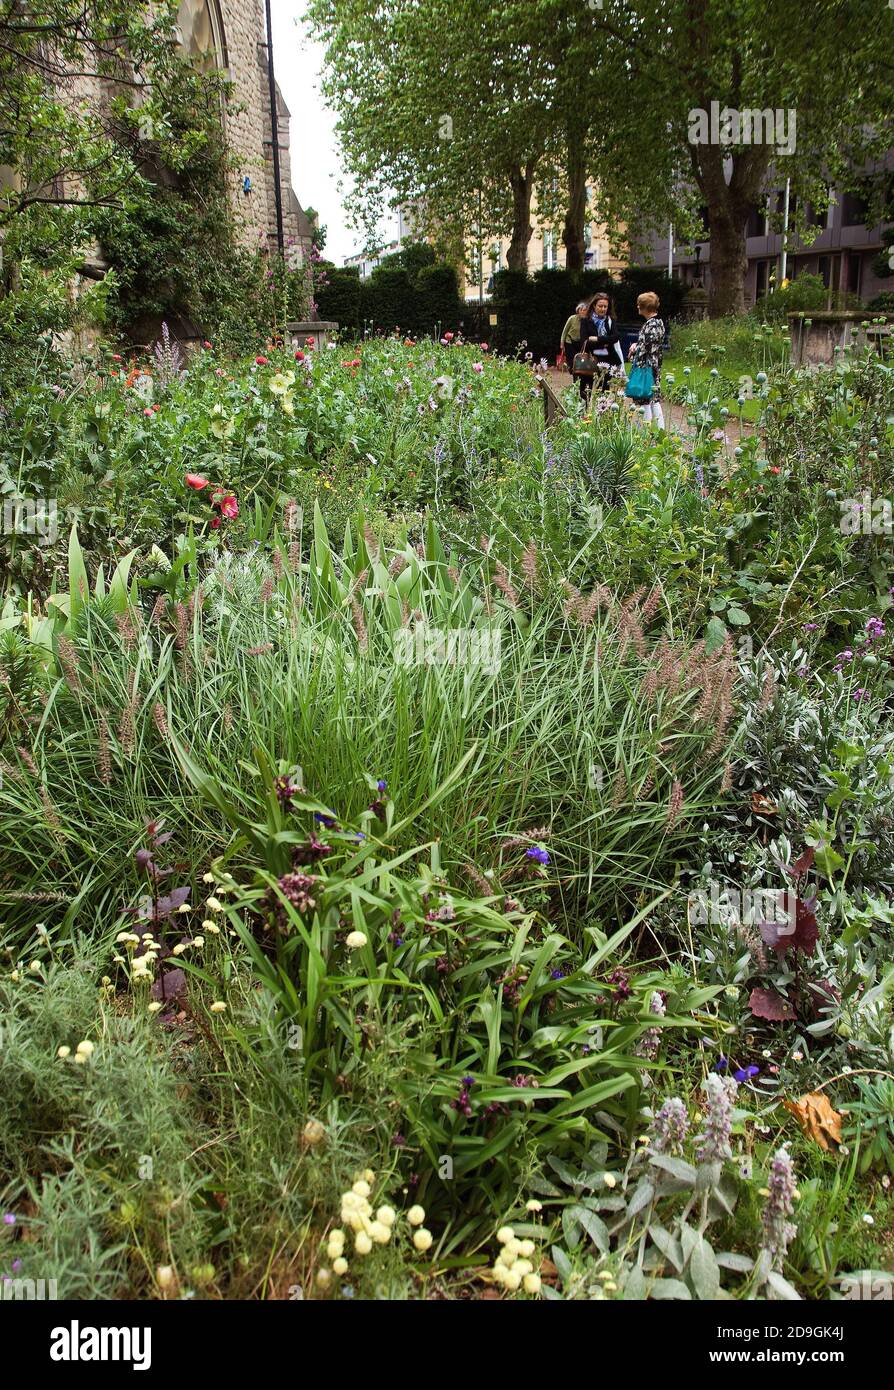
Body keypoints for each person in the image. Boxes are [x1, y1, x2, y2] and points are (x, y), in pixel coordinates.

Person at [577, 291, 626, 404]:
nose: (603, 309)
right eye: (600, 306)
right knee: (588, 393)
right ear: (594, 305)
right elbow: (584, 341)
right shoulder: (586, 321)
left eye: (605, 306)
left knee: (605, 394)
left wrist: (598, 339)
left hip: (608, 362)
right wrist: (605, 341)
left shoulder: (610, 320)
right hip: (591, 361)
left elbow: (615, 337)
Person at [628, 291, 666, 429]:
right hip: (654, 366)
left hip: (646, 367)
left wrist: (634, 349)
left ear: (645, 308)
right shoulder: (659, 323)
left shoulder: (651, 325)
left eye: (639, 305)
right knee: (652, 398)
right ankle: (656, 431)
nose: (637, 307)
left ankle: (647, 430)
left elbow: (647, 347)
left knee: (646, 397)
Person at [559, 303, 587, 372]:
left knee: (579, 359)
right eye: (582, 310)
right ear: (578, 311)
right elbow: (565, 331)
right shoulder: (572, 318)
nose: (583, 312)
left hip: (580, 342)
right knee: (571, 359)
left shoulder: (587, 320)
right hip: (569, 341)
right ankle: (572, 370)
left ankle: (577, 372)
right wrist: (562, 343)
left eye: (585, 310)